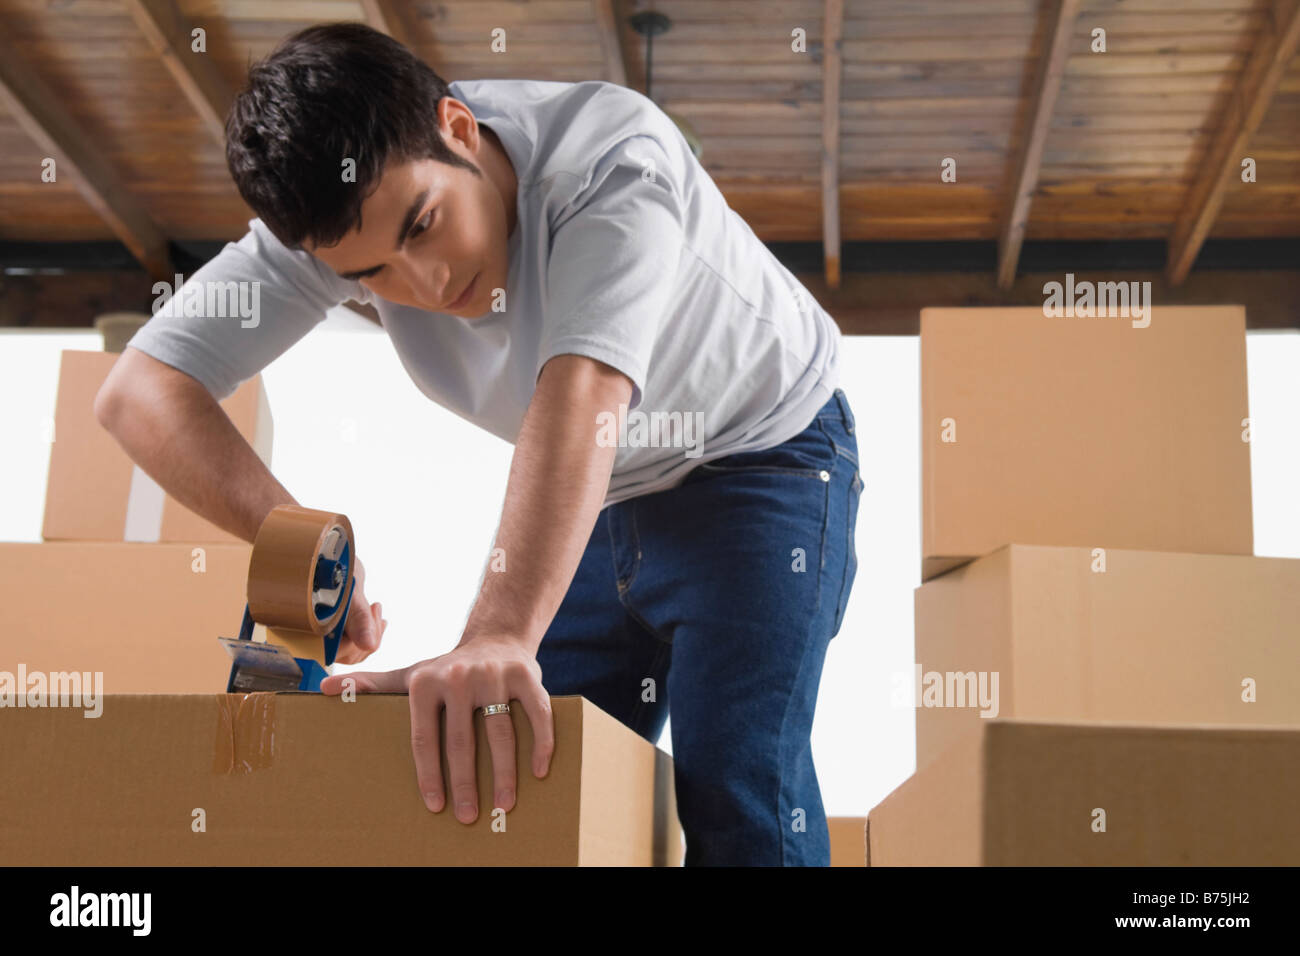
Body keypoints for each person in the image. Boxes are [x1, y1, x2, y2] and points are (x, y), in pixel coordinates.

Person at [96, 22, 860, 866]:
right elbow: (141, 393)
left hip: (765, 457)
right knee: (500, 769)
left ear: (457, 127)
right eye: (370, 277)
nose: (422, 286)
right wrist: (305, 544)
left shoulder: (611, 161)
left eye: (423, 226)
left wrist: (495, 634)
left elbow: (582, 400)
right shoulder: (331, 223)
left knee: (735, 783)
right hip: (605, 494)